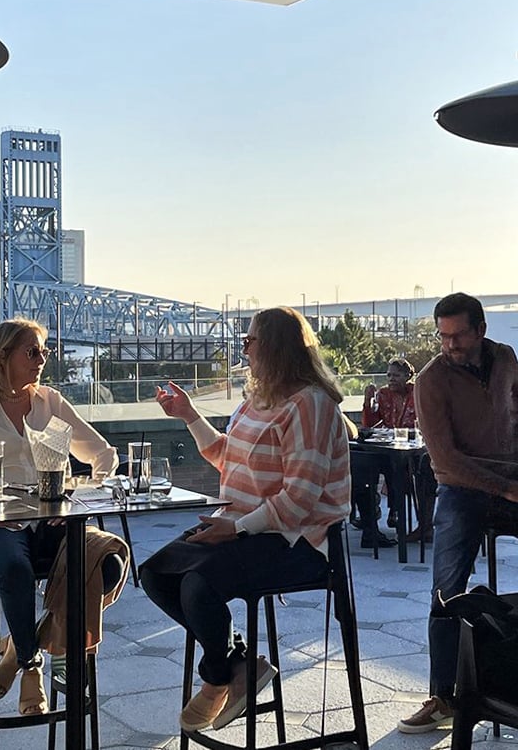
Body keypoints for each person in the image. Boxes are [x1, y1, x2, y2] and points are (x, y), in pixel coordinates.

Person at [140, 307, 351, 733]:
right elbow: (228, 460)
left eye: (250, 340)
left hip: (298, 541)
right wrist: (188, 416)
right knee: (155, 573)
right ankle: (238, 665)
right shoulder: (259, 399)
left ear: (274, 347)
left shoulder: (310, 404)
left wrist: (235, 528)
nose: (245, 348)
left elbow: (301, 500)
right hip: (243, 525)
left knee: (199, 584)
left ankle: (218, 677)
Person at [0, 318, 124, 717]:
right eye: (32, 351)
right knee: (15, 569)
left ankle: (20, 642)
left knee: (107, 564)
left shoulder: (50, 403)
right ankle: (30, 666)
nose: (42, 358)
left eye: (44, 351)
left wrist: (80, 497)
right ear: (4, 357)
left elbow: (103, 454)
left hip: (49, 521)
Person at [397, 293, 518, 734]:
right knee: (447, 588)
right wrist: (505, 489)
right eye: (443, 336)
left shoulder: (506, 357)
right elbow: (444, 459)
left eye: (458, 335)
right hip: (463, 488)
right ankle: (443, 696)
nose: (450, 345)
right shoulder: (430, 380)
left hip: (511, 477)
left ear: (481, 330)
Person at [352, 358, 418, 547]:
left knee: (398, 465)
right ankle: (375, 512)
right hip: (387, 446)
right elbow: (369, 425)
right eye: (389, 375)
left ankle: (395, 511)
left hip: (412, 448)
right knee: (369, 464)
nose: (391, 379)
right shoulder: (383, 394)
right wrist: (367, 403)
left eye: (396, 375)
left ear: (408, 376)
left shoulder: (418, 393)